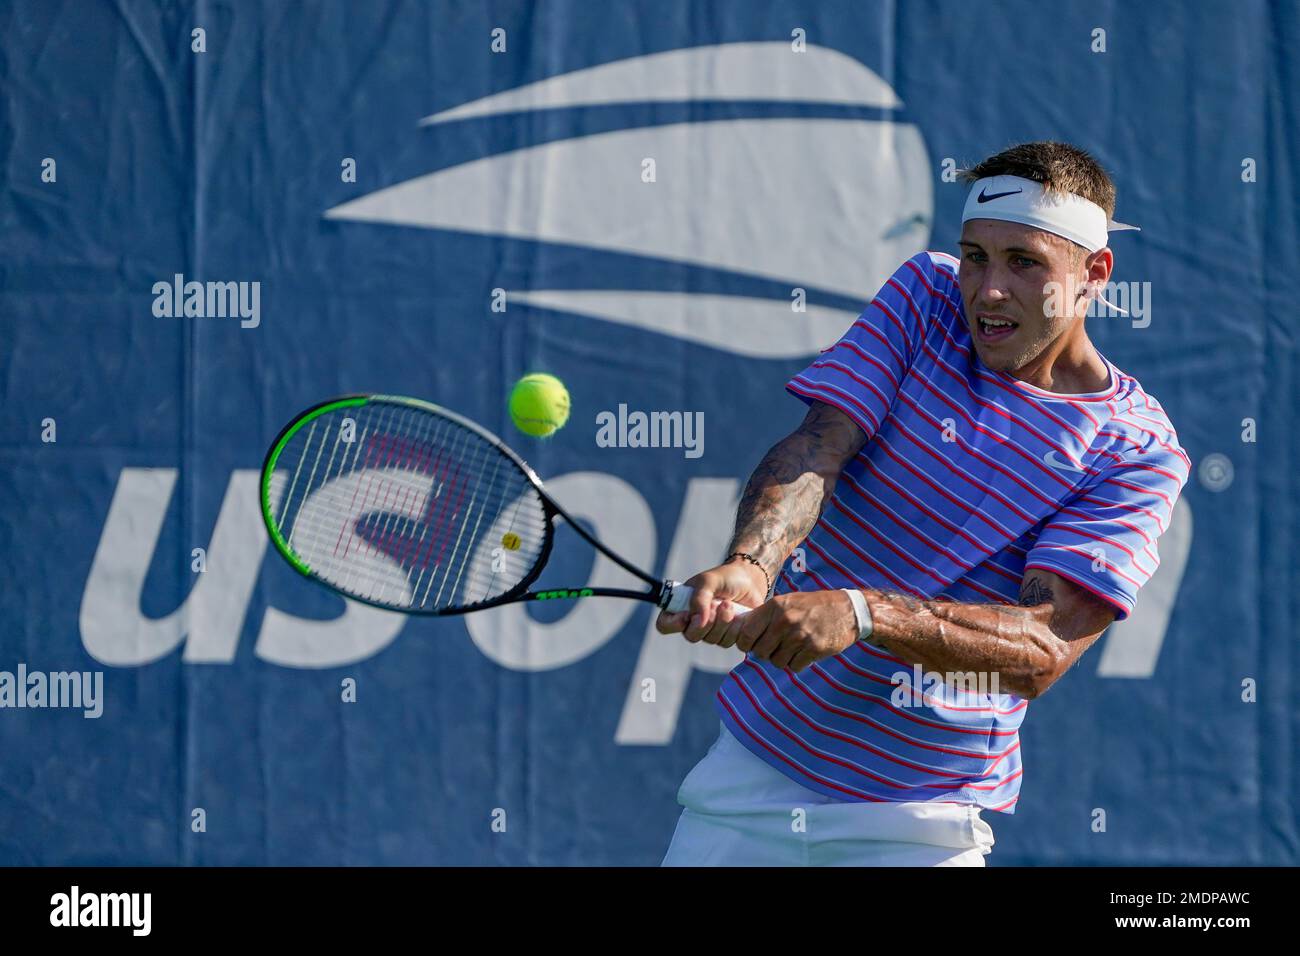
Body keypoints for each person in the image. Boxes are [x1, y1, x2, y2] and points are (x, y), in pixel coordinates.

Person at [657, 141, 1190, 866]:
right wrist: (753, 562)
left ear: (1094, 273)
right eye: (975, 256)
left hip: (920, 823)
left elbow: (1042, 649)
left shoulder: (1135, 451)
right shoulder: (924, 297)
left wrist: (863, 613)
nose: (987, 289)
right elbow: (822, 443)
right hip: (753, 776)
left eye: (1024, 262)